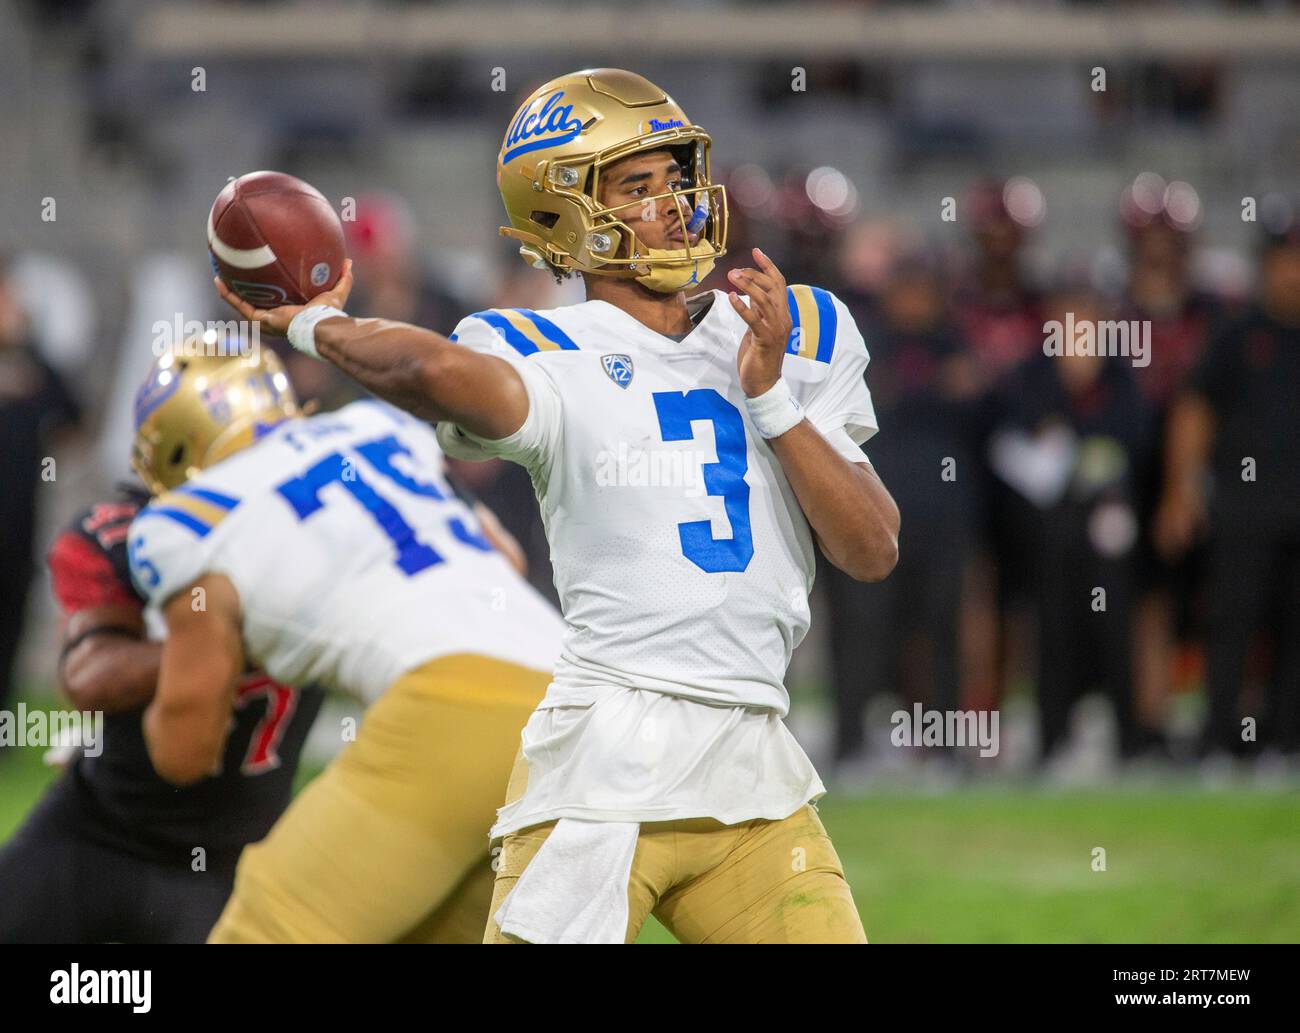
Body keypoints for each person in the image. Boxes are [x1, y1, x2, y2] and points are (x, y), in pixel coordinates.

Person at [218, 68, 898, 943]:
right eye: (638, 186)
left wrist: (772, 400)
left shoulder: (791, 328)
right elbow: (429, 372)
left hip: (754, 769)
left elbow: (872, 547)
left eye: (678, 178)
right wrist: (316, 323)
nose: (675, 204)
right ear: (562, 217)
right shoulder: (543, 348)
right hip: (603, 770)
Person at [125, 346, 562, 942]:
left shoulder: (189, 521)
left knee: (268, 928)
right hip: (577, 701)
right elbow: (505, 558)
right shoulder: (373, 427)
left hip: (457, 710)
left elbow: (185, 749)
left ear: (176, 450)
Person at [0, 487, 322, 943]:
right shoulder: (130, 529)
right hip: (98, 825)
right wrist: (226, 641)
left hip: (232, 857)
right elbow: (89, 678)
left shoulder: (322, 544)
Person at [1156, 212, 1300, 767]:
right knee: (1233, 623)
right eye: (1283, 261)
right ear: (1265, 266)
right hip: (1246, 510)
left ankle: (1287, 741)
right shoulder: (1239, 335)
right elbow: (1194, 410)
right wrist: (1181, 491)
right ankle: (1222, 740)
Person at [0, 261, 80, 722]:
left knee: (10, 621)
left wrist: (26, 346)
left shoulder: (33, 364)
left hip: (16, 528)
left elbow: (72, 418)